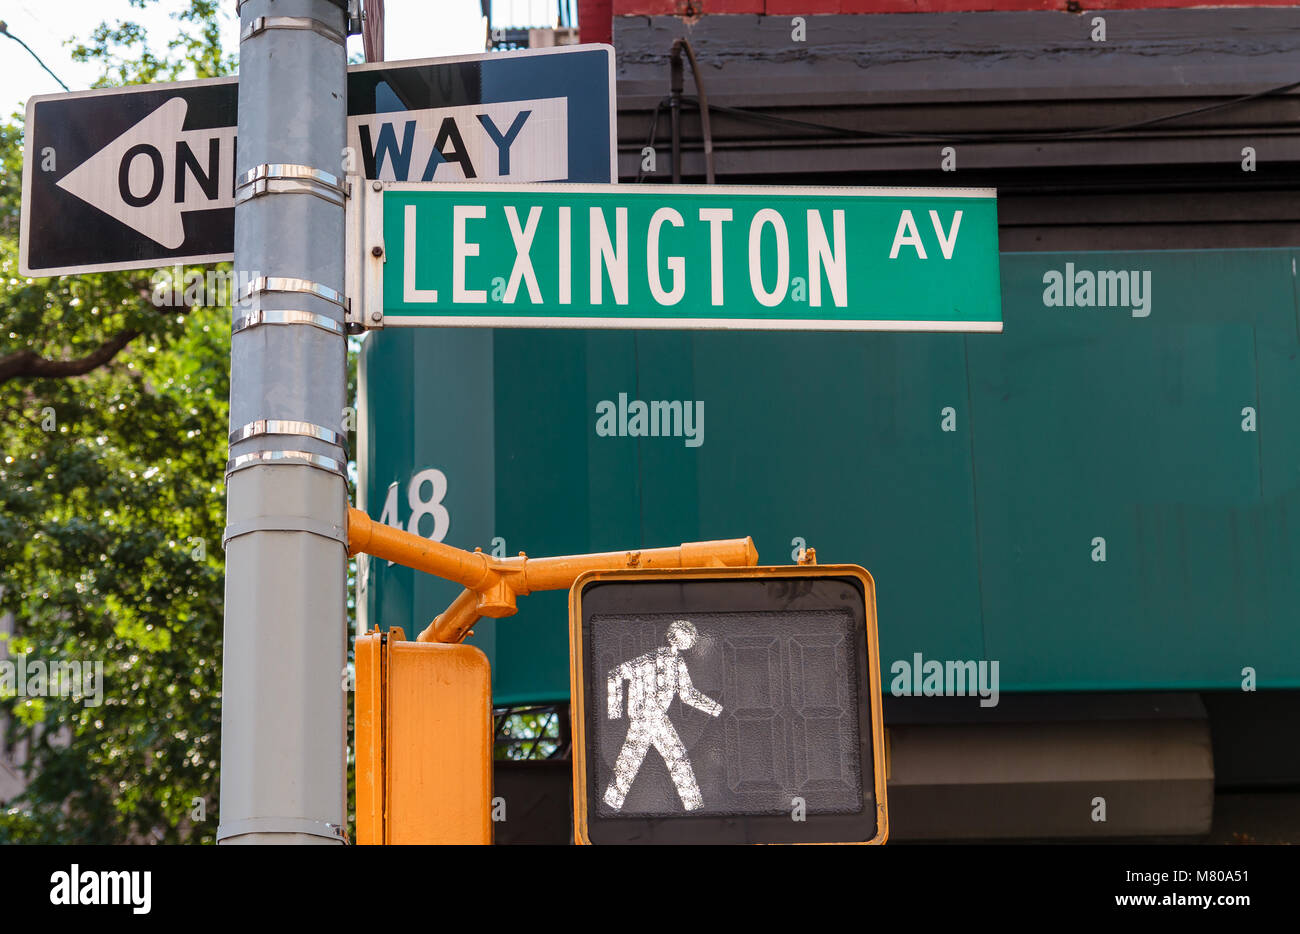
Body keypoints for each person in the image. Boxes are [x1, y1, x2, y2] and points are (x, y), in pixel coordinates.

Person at [603, 619, 722, 811]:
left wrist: (715, 709)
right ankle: (611, 804)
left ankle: (694, 806)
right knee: (638, 762)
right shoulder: (645, 660)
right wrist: (615, 712)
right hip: (643, 719)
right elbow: (615, 674)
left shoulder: (678, 663)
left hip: (658, 719)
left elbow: (687, 694)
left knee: (670, 759)